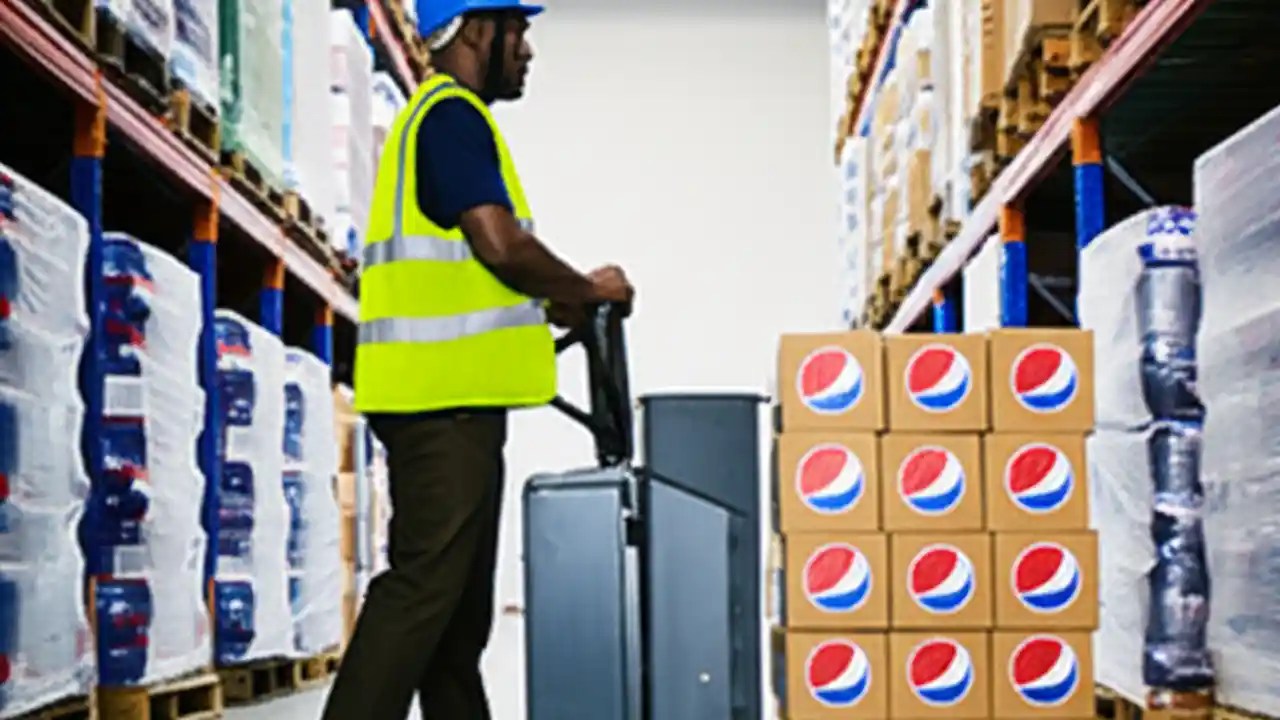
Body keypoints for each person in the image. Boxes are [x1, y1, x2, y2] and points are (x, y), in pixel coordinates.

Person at [321, 0, 635, 717]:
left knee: (456, 624)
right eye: (516, 31)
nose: (525, 49)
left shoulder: (440, 121)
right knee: (420, 595)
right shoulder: (451, 116)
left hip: (448, 405)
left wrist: (557, 302)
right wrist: (587, 287)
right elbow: (499, 243)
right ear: (474, 31)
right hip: (443, 409)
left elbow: (477, 267)